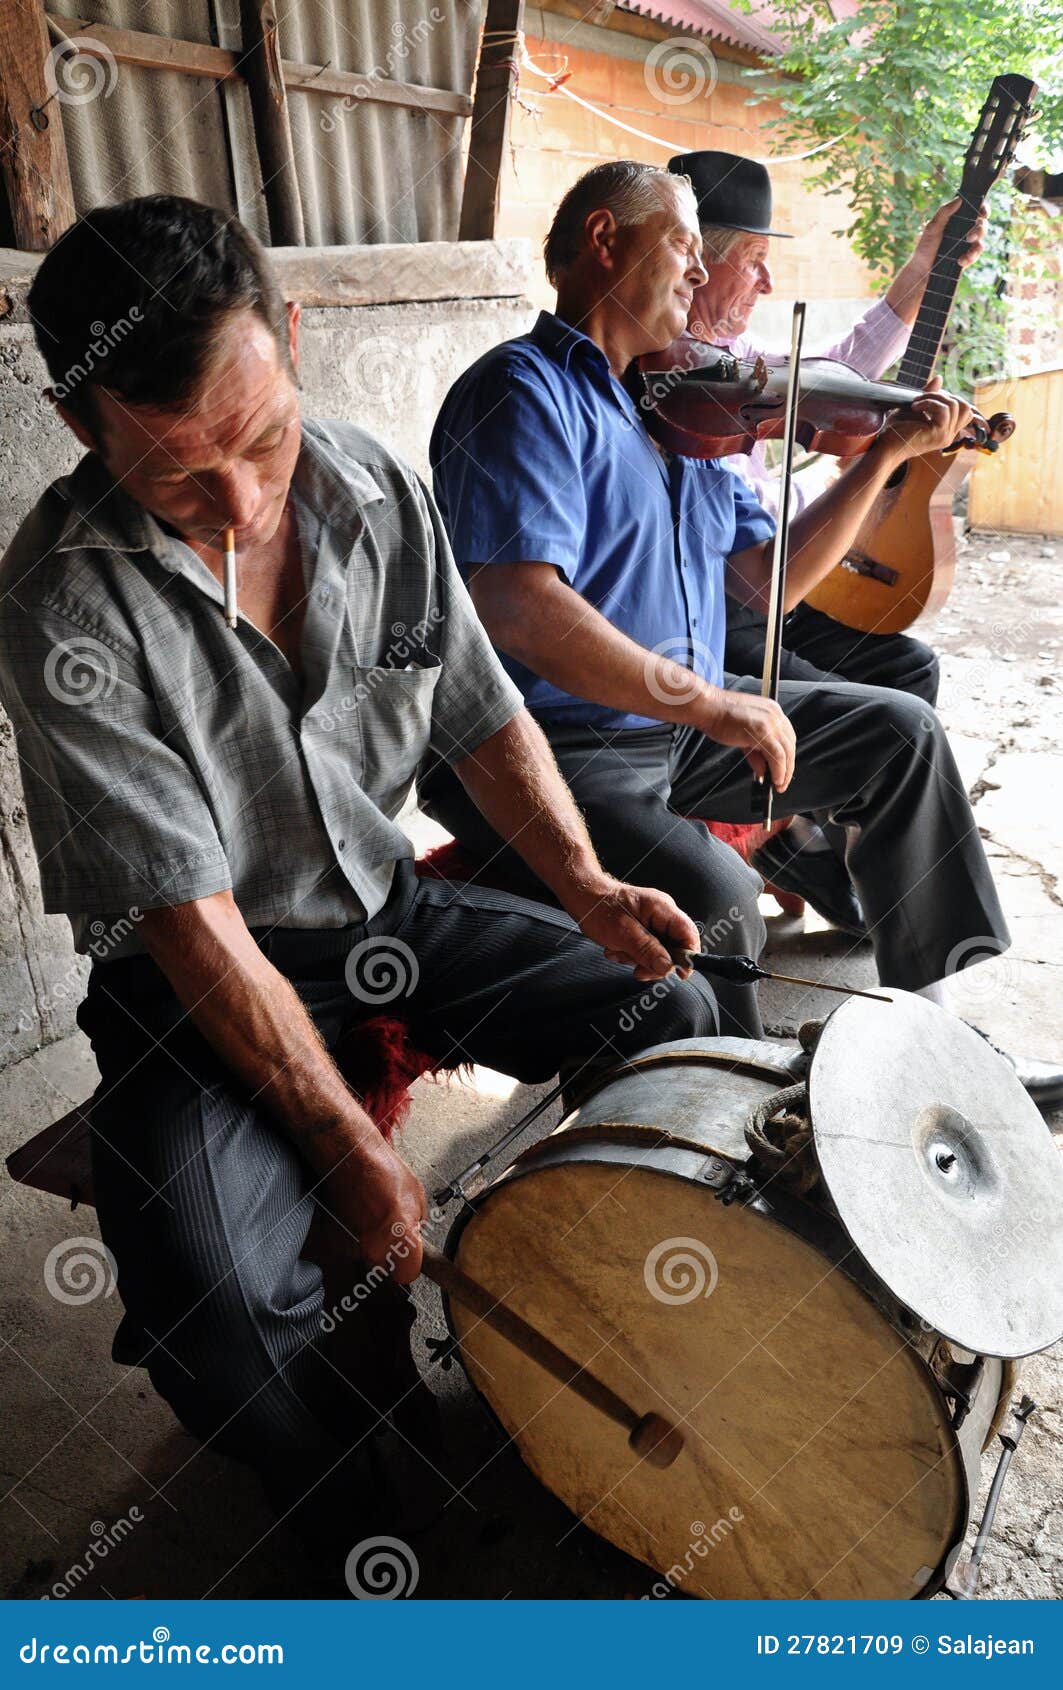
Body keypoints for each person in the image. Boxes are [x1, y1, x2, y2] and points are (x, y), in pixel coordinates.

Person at [0, 195, 718, 1557]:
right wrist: (348, 1148)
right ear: (83, 423)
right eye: (177, 480)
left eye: (260, 439)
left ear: (288, 332)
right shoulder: (60, 608)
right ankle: (342, 1493)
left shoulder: (375, 489)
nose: (242, 503)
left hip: (387, 914)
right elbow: (194, 925)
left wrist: (582, 883)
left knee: (668, 1017)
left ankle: (590, 1338)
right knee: (206, 1300)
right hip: (198, 988)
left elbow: (479, 708)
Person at [421, 160, 1062, 1106]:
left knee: (901, 733)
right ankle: (750, 1119)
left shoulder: (677, 408)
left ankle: (934, 1042)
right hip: (554, 748)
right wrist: (711, 699)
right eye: (684, 242)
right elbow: (518, 605)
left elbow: (763, 585)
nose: (696, 270)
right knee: (717, 907)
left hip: (666, 731)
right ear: (605, 242)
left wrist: (883, 452)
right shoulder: (522, 394)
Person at [668, 150, 987, 927]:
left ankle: (822, 840)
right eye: (754, 263)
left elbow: (833, 375)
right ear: (696, 266)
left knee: (906, 661)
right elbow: (745, 569)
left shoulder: (733, 365)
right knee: (883, 714)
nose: (770, 285)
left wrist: (919, 271)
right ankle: (800, 836)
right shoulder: (664, 374)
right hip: (720, 611)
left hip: (771, 583)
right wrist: (879, 458)